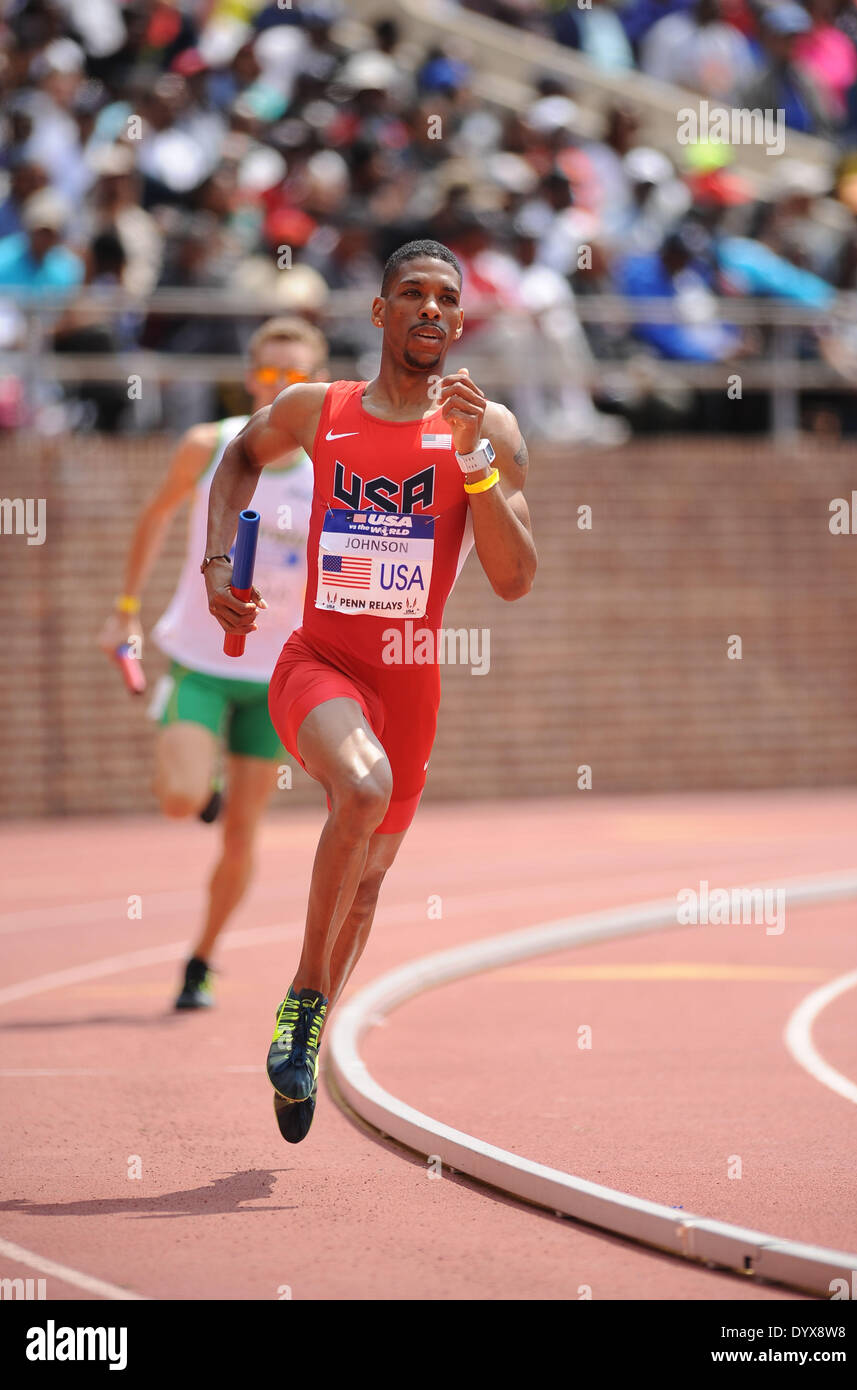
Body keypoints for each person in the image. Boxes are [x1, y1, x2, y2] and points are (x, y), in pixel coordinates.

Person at [203, 239, 537, 1143]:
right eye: (412, 295)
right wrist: (217, 562)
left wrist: (473, 465)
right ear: (381, 314)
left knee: (368, 884)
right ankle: (307, 1002)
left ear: (460, 322)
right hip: (321, 662)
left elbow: (514, 578)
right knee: (360, 787)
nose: (431, 309)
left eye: (447, 299)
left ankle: (297, 1037)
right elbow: (239, 456)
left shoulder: (488, 428)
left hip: (412, 685)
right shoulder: (321, 409)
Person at [97, 317, 328, 1009]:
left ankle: (201, 959)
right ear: (249, 376)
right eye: (268, 374)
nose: (280, 386)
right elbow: (157, 514)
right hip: (201, 660)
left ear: (315, 384)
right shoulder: (210, 445)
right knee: (179, 799)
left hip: (274, 675)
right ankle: (203, 787)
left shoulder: (329, 470)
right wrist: (126, 607)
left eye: (296, 377)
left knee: (242, 834)